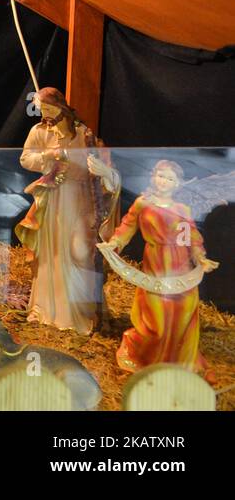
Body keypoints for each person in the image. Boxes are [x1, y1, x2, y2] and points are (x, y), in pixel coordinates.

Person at [16, 87, 121, 334]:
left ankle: (79, 312)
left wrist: (99, 170)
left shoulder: (84, 135)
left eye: (49, 108)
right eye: (42, 109)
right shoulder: (40, 132)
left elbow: (104, 170)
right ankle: (46, 309)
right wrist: (48, 156)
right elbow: (25, 159)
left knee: (80, 252)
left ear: (61, 106)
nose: (46, 113)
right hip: (52, 200)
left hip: (80, 201)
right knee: (51, 253)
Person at [102, 160, 219, 376]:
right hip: (155, 263)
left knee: (183, 310)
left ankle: (176, 360)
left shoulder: (182, 209)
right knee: (156, 318)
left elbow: (191, 237)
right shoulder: (143, 203)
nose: (164, 181)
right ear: (153, 177)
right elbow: (127, 226)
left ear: (177, 184)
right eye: (161, 176)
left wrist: (201, 258)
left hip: (181, 266)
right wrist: (114, 243)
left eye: (170, 179)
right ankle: (148, 357)